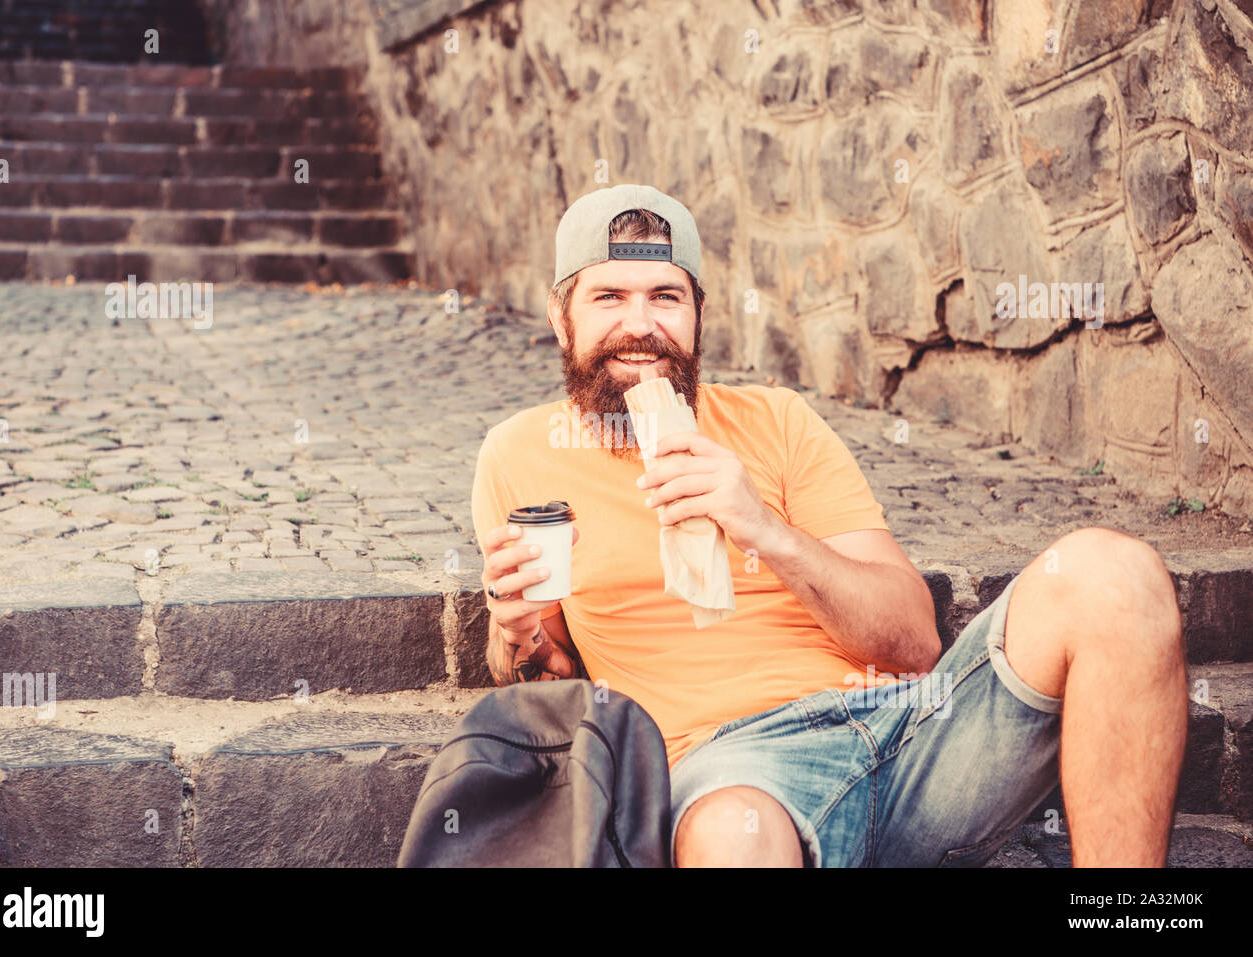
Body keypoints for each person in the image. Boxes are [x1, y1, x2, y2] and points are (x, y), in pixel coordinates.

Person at [472, 183, 1188, 867]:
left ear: (698, 315)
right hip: (731, 769)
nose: (641, 325)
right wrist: (520, 633)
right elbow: (548, 669)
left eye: (666, 296)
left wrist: (762, 526)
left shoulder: (777, 421)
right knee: (732, 833)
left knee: (1114, 574)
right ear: (560, 316)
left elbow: (912, 641)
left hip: (910, 738)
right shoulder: (520, 455)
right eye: (609, 297)